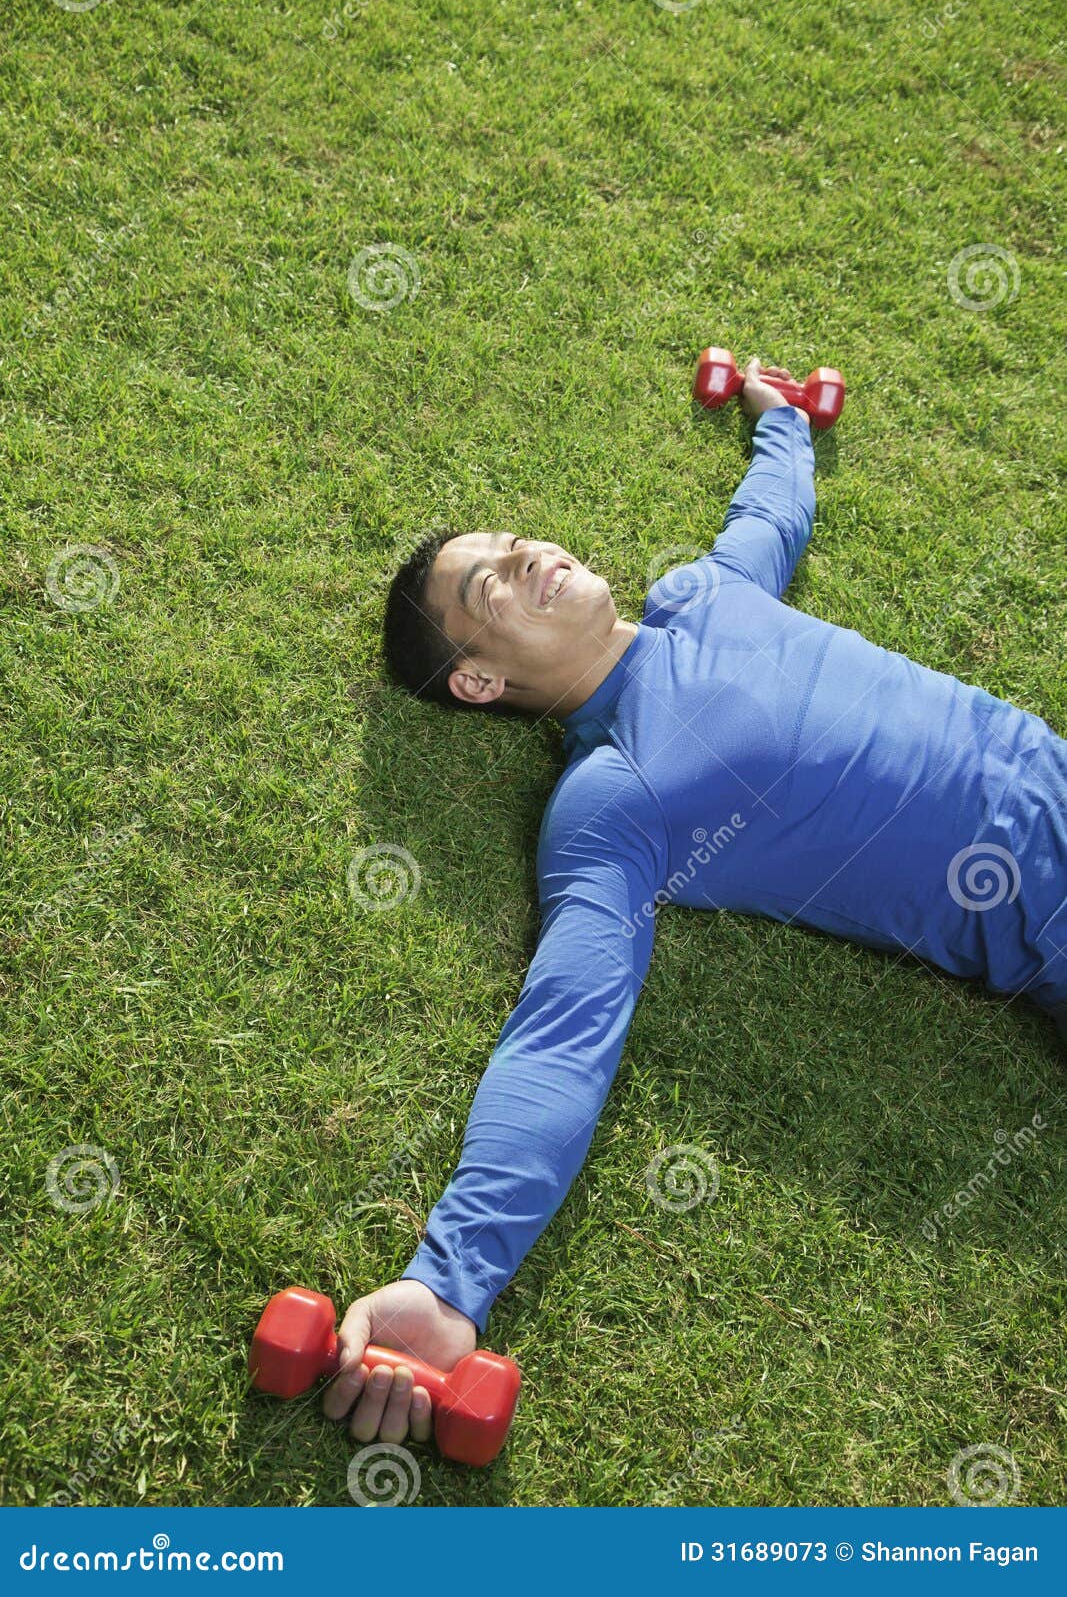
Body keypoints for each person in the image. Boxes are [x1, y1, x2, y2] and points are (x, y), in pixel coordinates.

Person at [322, 359, 1066, 1450]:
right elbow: (561, 1033)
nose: (527, 554)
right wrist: (448, 1277)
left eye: (511, 539)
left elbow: (769, 516)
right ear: (476, 679)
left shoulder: (701, 593)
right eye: (488, 586)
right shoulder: (614, 797)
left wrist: (779, 424)